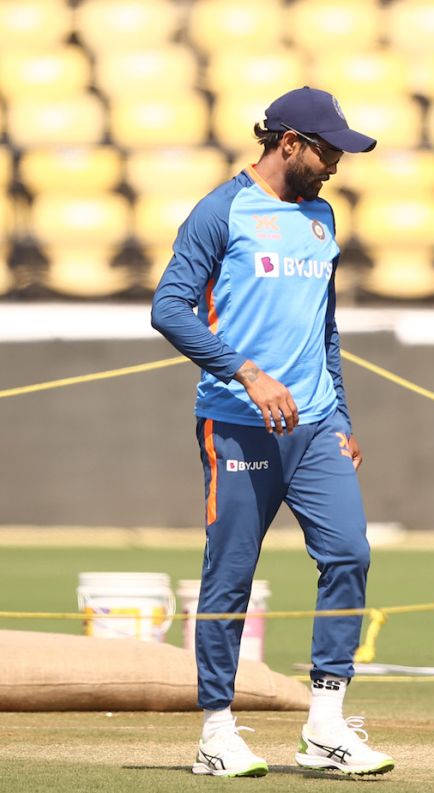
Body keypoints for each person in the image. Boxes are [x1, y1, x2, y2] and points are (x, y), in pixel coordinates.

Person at [151, 87, 394, 777]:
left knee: (349, 552)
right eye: (327, 150)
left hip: (316, 427)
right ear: (288, 142)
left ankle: (324, 726)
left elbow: (325, 330)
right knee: (229, 575)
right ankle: (216, 731)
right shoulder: (220, 210)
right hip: (235, 425)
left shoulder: (322, 216)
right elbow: (168, 307)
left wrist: (342, 417)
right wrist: (246, 373)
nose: (337, 164)